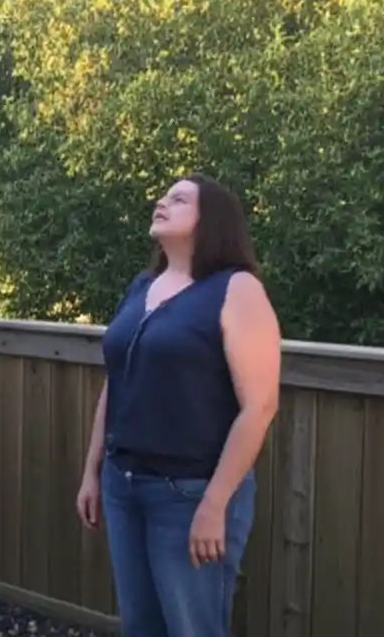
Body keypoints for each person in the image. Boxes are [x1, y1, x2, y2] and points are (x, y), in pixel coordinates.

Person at [75, 174, 281, 637]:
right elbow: (117, 381)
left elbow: (260, 406)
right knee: (141, 627)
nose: (161, 202)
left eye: (179, 199)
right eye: (164, 196)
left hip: (189, 493)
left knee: (194, 629)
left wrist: (214, 504)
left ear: (212, 221)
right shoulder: (142, 286)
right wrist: (92, 470)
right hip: (123, 484)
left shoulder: (236, 289)